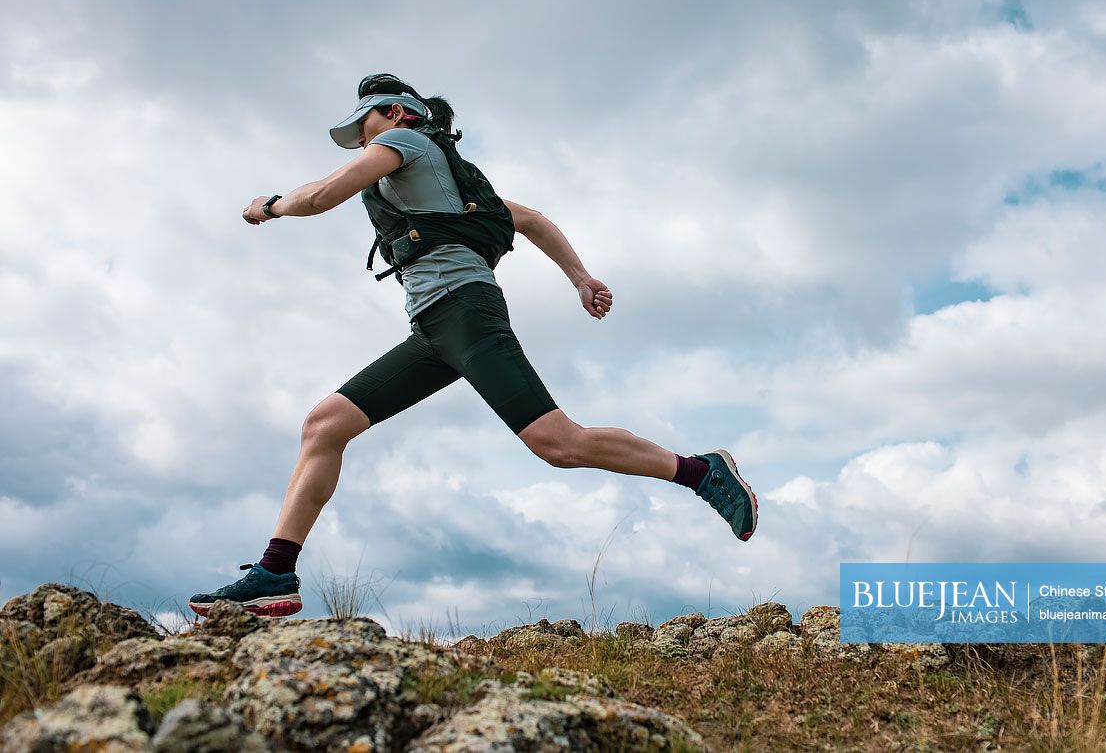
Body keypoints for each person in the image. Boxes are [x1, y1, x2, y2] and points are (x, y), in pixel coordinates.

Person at [188, 74, 757, 617]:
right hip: (435, 330)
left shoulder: (406, 140)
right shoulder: (454, 184)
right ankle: (275, 574)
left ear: (395, 115)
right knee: (325, 425)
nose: (361, 146)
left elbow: (320, 198)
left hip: (465, 312)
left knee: (559, 444)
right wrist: (580, 278)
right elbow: (528, 219)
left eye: (363, 131)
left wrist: (268, 205)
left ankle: (700, 471)